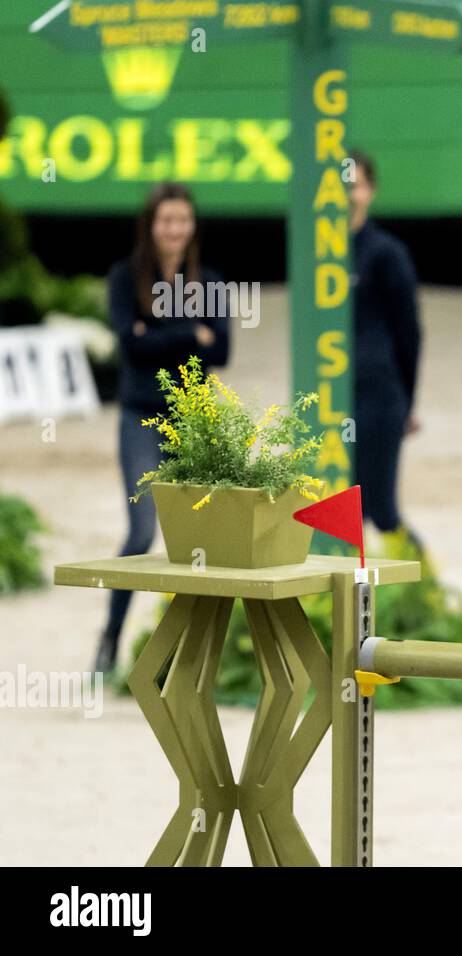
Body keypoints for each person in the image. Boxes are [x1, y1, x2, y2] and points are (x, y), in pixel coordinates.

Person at [95, 182, 231, 673]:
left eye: (182, 220)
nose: (174, 229)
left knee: (196, 541)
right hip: (140, 414)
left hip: (193, 419)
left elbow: (221, 351)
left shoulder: (209, 281)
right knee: (141, 532)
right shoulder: (123, 278)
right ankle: (109, 639)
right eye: (165, 220)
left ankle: (181, 655)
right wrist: (189, 333)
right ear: (150, 225)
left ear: (192, 226)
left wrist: (156, 334)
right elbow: (130, 350)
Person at [345, 149, 424, 556]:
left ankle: (424, 585)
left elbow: (409, 335)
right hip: (331, 398)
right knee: (339, 510)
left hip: (379, 399)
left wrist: (406, 403)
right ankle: (341, 601)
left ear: (370, 191)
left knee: (381, 509)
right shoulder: (316, 255)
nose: (345, 195)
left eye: (353, 185)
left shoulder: (386, 253)